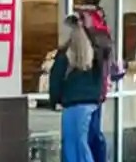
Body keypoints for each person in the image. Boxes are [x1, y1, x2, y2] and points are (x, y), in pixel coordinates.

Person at [48, 14, 103, 162]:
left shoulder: (64, 56)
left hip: (73, 105)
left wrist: (54, 100)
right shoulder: (93, 54)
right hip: (91, 105)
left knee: (72, 148)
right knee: (83, 145)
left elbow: (55, 81)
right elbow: (101, 77)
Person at [78, 0, 124, 162]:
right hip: (97, 89)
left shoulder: (95, 33)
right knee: (91, 132)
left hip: (94, 89)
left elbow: (99, 59)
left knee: (91, 133)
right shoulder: (101, 31)